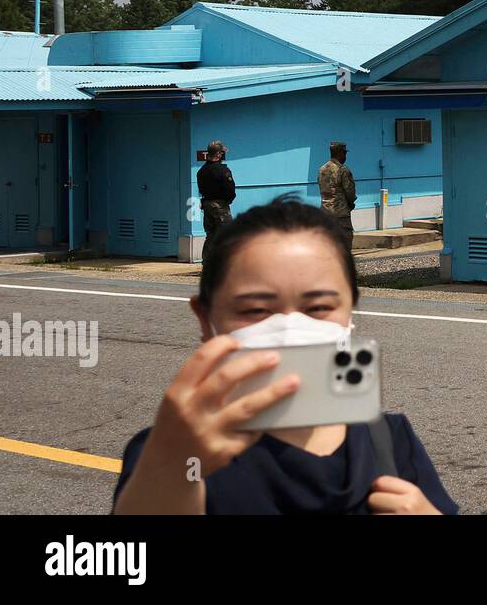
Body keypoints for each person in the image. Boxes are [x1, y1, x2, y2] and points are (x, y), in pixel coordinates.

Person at [112, 196, 457, 515]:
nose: (290, 327)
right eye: (256, 309)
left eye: (319, 306)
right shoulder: (177, 451)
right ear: (206, 318)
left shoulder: (391, 440)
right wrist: (169, 467)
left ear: (350, 312)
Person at [318, 141, 357, 251]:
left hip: (325, 212)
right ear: (340, 153)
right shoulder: (342, 170)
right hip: (340, 213)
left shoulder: (322, 170)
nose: (345, 156)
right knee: (345, 244)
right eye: (344, 153)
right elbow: (350, 192)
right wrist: (351, 203)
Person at [196, 140, 235, 243]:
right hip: (220, 206)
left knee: (210, 236)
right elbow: (230, 190)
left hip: (207, 205)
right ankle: (225, 259)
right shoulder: (223, 170)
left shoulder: (201, 171)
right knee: (227, 235)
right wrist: (228, 200)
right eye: (222, 153)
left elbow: (201, 189)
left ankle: (208, 259)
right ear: (218, 154)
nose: (222, 155)